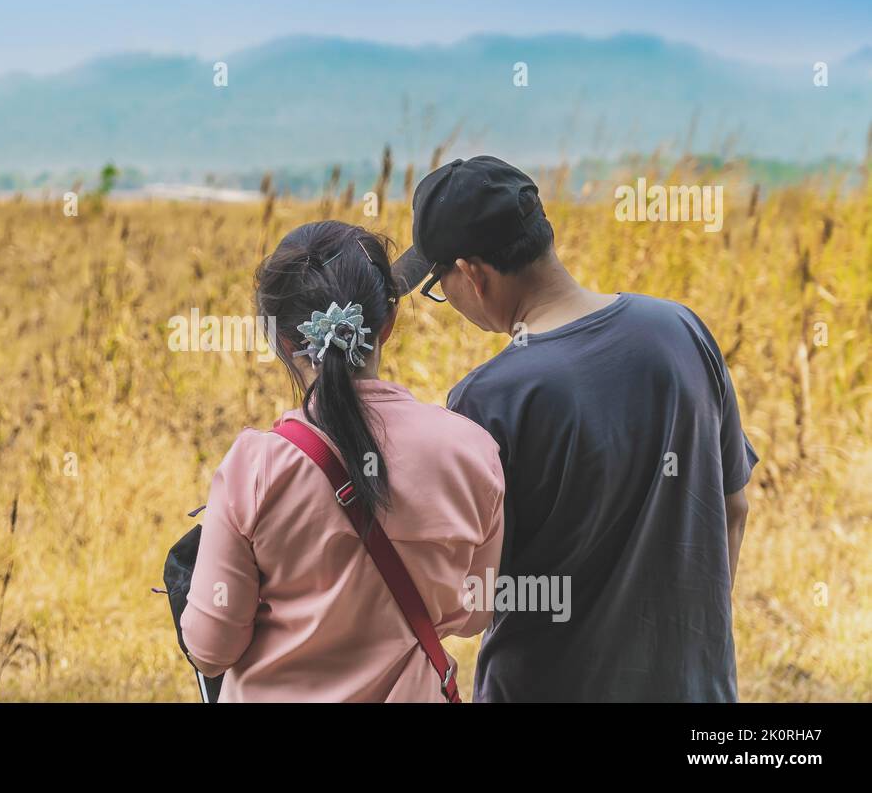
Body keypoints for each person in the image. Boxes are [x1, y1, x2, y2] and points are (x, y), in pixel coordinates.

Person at [391, 156, 759, 701]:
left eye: (438, 286)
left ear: (471, 274)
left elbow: (472, 596)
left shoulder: (489, 398)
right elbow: (733, 508)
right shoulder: (681, 330)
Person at [180, 221, 504, 702]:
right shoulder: (471, 452)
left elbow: (211, 649)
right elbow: (474, 612)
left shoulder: (255, 468)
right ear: (388, 324)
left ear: (284, 343)